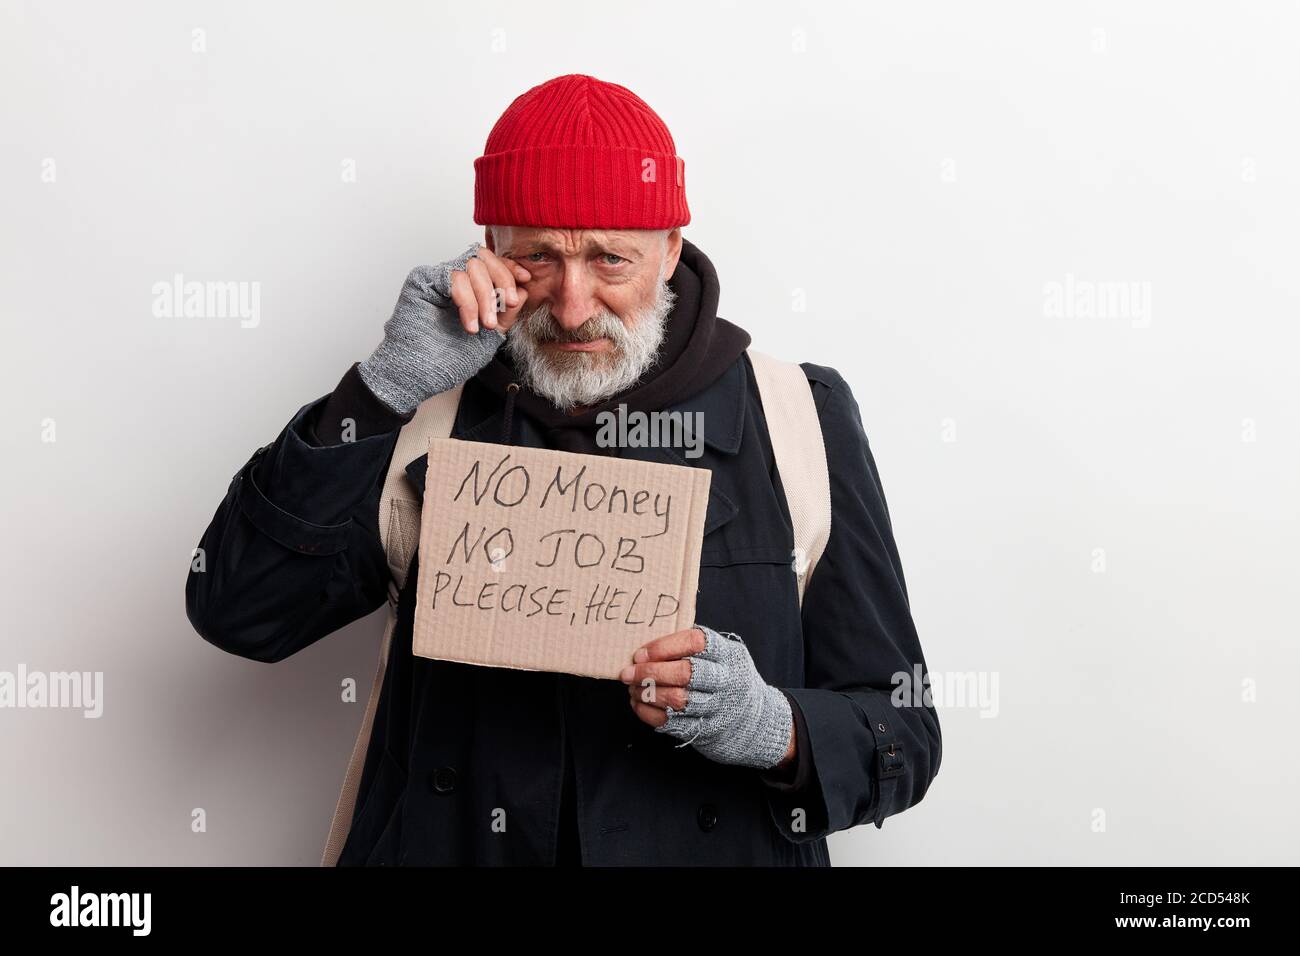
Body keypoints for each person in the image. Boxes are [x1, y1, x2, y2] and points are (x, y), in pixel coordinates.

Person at [185, 73, 941, 866]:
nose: (575, 306)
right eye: (540, 258)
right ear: (492, 250)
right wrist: (379, 391)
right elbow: (239, 613)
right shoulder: (426, 406)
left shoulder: (797, 416)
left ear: (671, 249)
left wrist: (775, 729)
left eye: (611, 259)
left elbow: (905, 732)